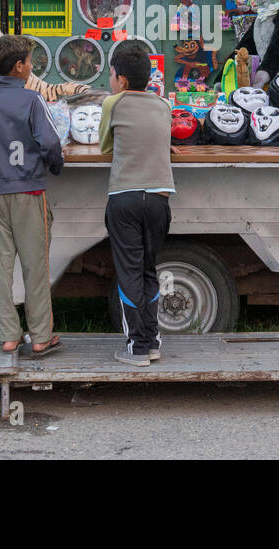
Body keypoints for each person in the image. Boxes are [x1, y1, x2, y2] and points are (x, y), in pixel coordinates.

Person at [0, 34, 65, 356]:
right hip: (29, 191)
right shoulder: (31, 100)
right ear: (18, 67)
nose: (31, 67)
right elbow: (51, 143)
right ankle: (41, 336)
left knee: (0, 265)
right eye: (28, 62)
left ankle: (9, 336)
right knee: (35, 266)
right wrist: (55, 167)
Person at [98, 43, 174, 366]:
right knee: (148, 270)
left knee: (129, 271)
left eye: (112, 75)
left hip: (125, 198)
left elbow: (104, 146)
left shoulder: (112, 103)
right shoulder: (164, 105)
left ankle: (137, 348)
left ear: (122, 81)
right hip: (159, 198)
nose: (111, 81)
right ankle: (153, 342)